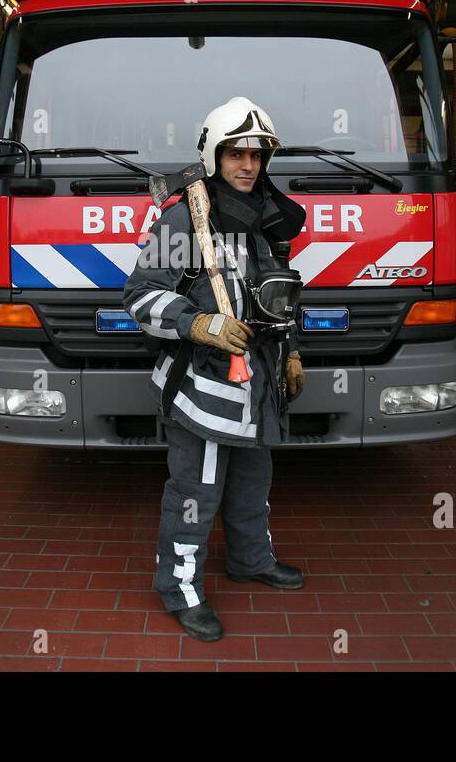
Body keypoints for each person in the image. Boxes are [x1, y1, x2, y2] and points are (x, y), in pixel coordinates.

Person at [122, 96, 309, 642]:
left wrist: (293, 351)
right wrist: (198, 324)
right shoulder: (183, 218)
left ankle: (251, 561)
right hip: (200, 390)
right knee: (195, 493)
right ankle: (180, 590)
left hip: (258, 388)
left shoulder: (269, 218)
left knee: (254, 483)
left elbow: (280, 298)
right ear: (214, 155)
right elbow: (138, 297)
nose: (248, 166)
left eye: (256, 155)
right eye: (236, 154)